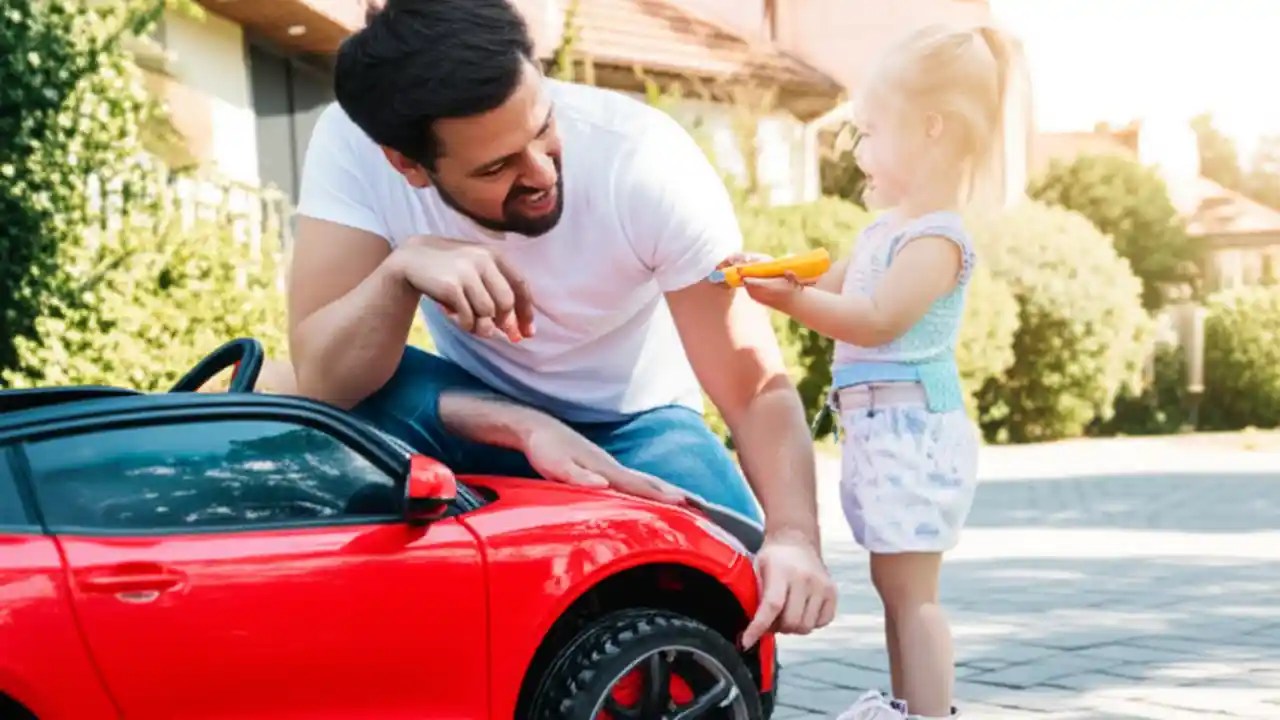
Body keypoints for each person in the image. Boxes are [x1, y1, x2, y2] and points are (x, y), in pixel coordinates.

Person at [285, 0, 836, 648]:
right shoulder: (350, 145)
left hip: (636, 426)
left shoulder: (644, 161)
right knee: (288, 415)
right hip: (469, 411)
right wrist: (400, 271)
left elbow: (754, 387)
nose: (542, 173)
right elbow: (322, 377)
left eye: (543, 127)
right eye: (496, 167)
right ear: (405, 163)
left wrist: (796, 537)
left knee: (731, 581)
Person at [728, 22, 1026, 720]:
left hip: (913, 437)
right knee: (895, 589)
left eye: (871, 131)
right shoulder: (886, 230)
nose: (858, 149)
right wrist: (769, 272)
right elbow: (833, 278)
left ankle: (926, 712)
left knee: (912, 596)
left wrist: (793, 302)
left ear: (930, 129)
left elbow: (875, 317)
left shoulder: (937, 239)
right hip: (882, 434)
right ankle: (907, 705)